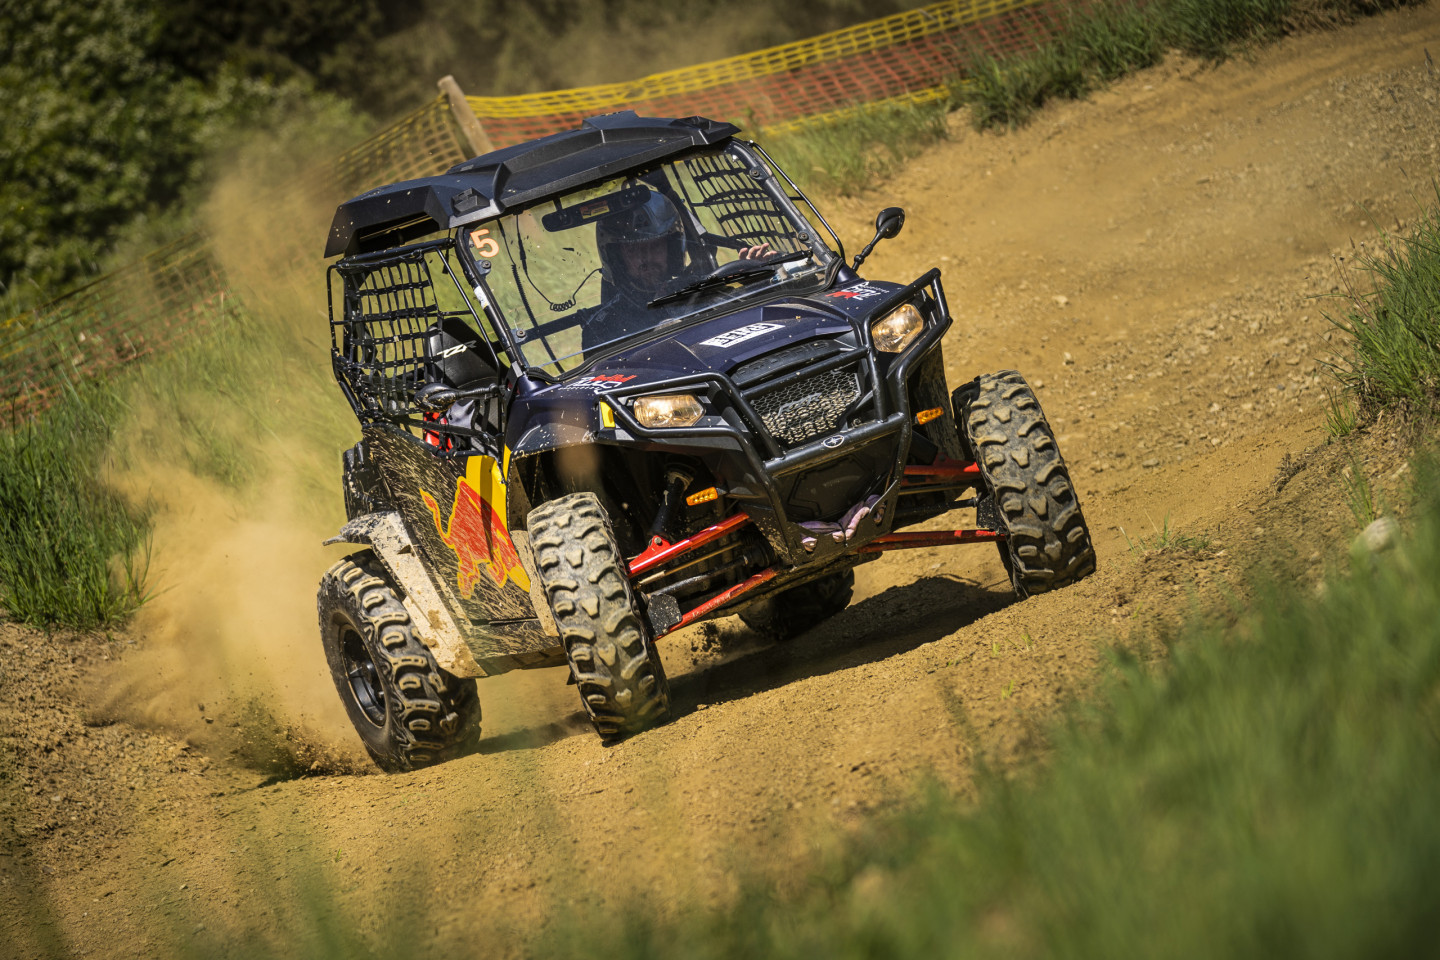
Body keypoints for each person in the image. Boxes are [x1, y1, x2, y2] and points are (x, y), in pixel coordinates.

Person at [583, 190, 773, 350]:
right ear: (616, 257)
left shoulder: (702, 289)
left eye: (655, 246)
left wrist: (755, 281)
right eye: (633, 249)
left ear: (672, 249)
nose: (646, 257)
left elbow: (751, 327)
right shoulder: (602, 329)